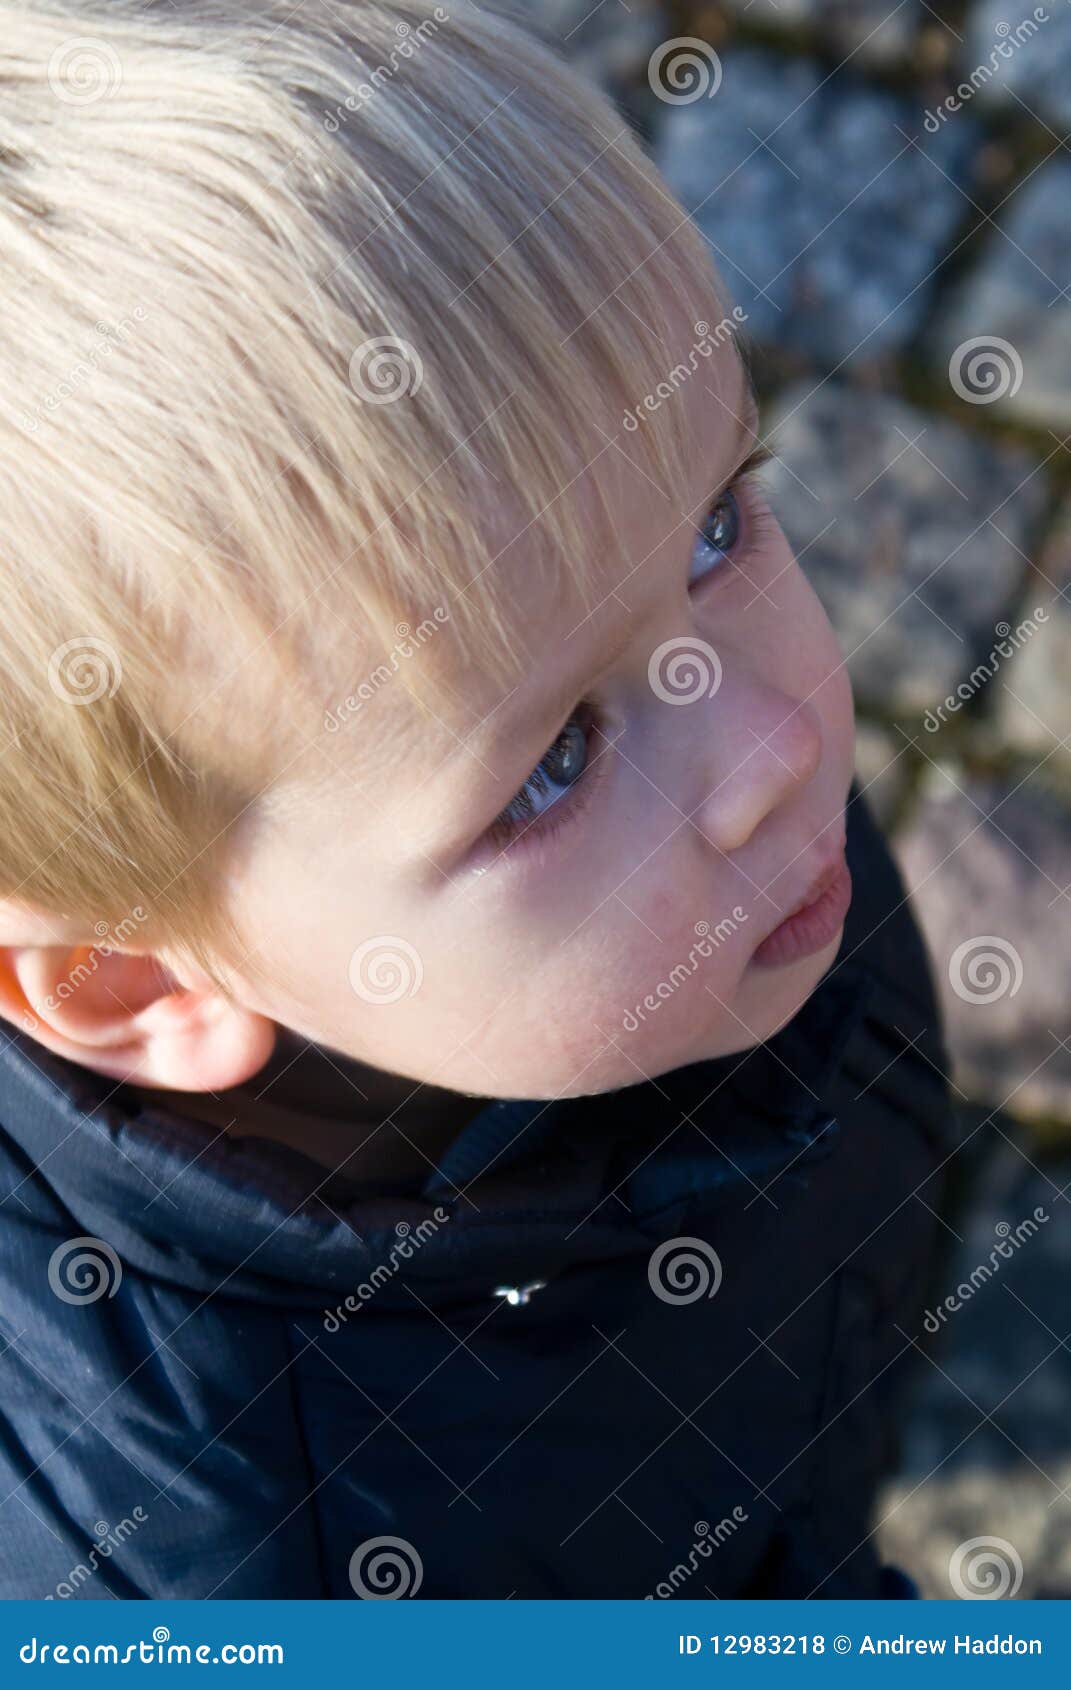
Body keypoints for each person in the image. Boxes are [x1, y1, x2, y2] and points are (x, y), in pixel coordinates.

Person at [0, 0, 955, 1599]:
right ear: (137, 980)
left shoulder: (712, 860)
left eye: (718, 526)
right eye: (556, 757)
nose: (772, 745)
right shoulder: (249, 1572)